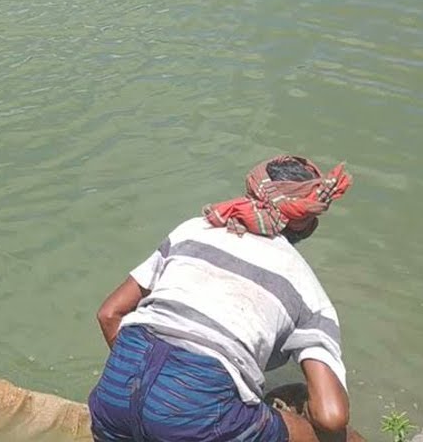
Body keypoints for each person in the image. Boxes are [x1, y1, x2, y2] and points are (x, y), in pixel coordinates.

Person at [88, 156, 366, 442]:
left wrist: (145, 387)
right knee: (332, 438)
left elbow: (109, 314)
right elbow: (331, 416)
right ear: (307, 223)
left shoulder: (193, 230)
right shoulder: (304, 285)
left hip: (115, 392)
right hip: (195, 409)